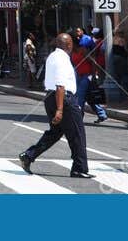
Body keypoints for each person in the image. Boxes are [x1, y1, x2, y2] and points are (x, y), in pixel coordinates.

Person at [19, 32, 92, 179]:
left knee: (55, 132)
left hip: (51, 97)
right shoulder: (62, 59)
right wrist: (60, 110)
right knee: (77, 134)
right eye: (72, 43)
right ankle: (79, 168)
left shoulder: (52, 56)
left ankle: (29, 155)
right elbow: (60, 84)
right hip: (63, 99)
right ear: (69, 45)